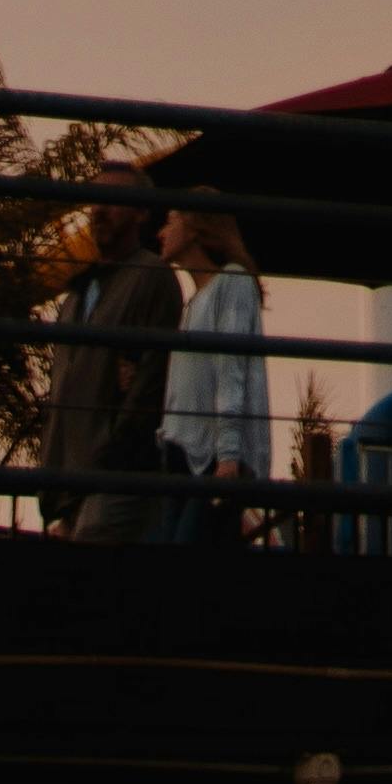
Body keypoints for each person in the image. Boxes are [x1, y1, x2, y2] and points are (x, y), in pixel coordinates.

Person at [38, 164, 180, 543]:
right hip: (70, 488)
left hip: (115, 480)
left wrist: (109, 456)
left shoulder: (152, 277)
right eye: (96, 200)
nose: (100, 209)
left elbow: (149, 383)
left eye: (114, 200)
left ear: (141, 213)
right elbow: (61, 394)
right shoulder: (76, 297)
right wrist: (52, 490)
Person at [156, 193, 271, 536]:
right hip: (182, 452)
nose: (162, 232)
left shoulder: (231, 283)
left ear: (193, 227)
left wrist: (229, 454)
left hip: (212, 457)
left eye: (171, 220)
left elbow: (230, 372)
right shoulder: (193, 303)